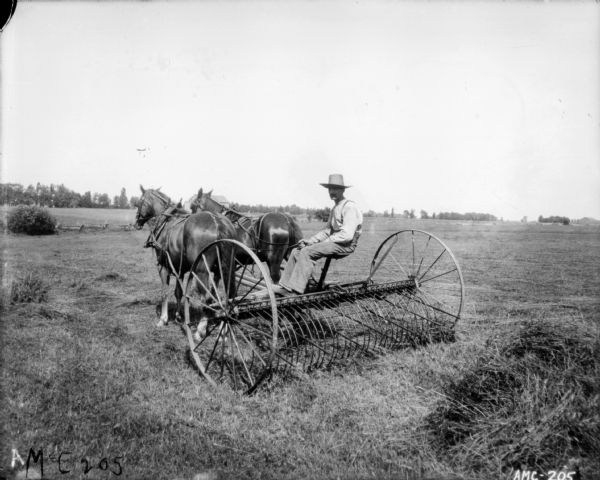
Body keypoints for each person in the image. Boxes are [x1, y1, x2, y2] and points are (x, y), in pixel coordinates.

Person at [274, 174, 363, 295]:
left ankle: (296, 291)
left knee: (307, 252)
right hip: (335, 242)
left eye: (335, 188)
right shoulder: (335, 208)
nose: (332, 191)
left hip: (345, 245)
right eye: (330, 189)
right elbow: (327, 231)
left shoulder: (349, 207)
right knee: (297, 251)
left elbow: (346, 235)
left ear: (343, 190)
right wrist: (310, 241)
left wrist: (322, 243)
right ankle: (285, 286)